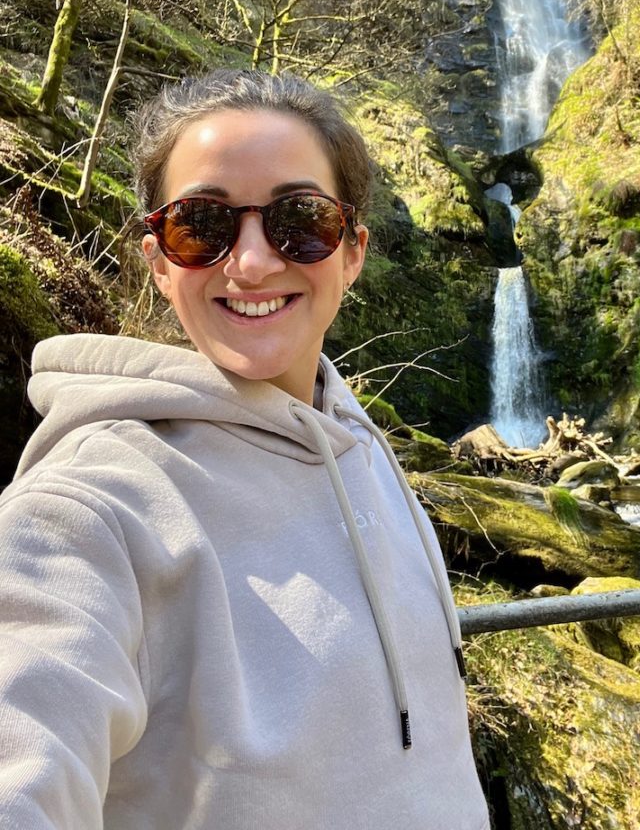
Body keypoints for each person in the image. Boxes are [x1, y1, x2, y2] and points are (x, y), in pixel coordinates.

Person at [0, 69, 489, 830]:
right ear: (159, 261)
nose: (253, 262)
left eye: (301, 219)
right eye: (202, 225)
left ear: (352, 250)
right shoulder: (89, 509)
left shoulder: (358, 442)